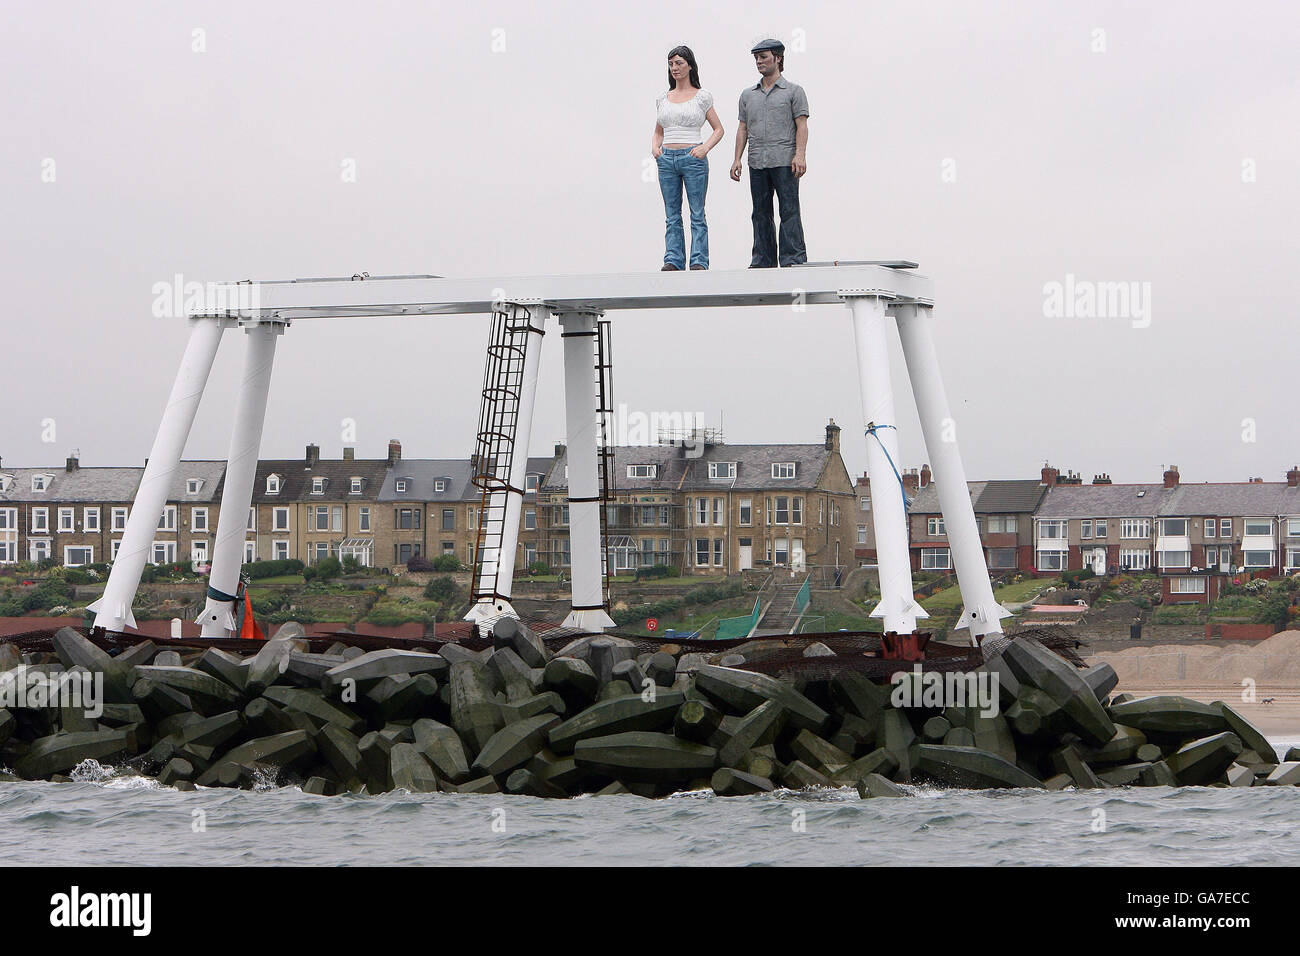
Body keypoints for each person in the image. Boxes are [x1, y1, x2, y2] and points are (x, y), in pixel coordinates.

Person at [730, 38, 809, 267]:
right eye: (756, 57)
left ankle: (792, 258)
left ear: (778, 58)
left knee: (789, 209)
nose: (759, 62)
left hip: (785, 159)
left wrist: (800, 154)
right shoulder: (747, 95)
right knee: (760, 212)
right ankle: (762, 259)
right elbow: (742, 128)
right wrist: (736, 159)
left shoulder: (794, 91)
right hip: (757, 161)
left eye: (763, 57)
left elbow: (802, 125)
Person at [652, 46, 724, 271]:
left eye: (679, 63)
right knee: (672, 214)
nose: (675, 68)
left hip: (693, 156)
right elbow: (659, 129)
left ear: (690, 65)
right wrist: (655, 147)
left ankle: (698, 259)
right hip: (667, 159)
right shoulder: (663, 98)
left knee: (697, 212)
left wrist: (705, 148)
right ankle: (673, 258)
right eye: (671, 63)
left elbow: (719, 129)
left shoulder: (702, 97)